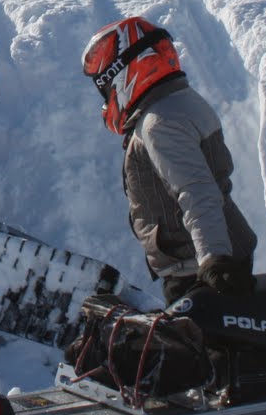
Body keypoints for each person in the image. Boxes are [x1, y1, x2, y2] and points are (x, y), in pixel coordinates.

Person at [81, 16, 257, 304]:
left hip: (201, 271)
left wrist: (214, 260)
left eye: (104, 88)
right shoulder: (180, 102)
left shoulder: (159, 123)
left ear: (122, 73)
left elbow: (197, 190)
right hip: (213, 257)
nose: (105, 100)